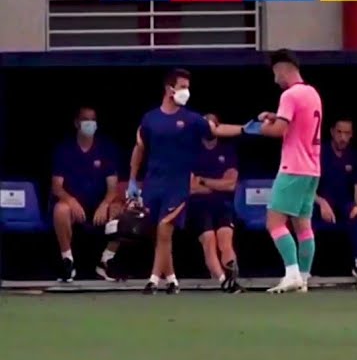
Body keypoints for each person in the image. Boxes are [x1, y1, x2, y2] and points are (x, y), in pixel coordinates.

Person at [212, 49, 324, 294]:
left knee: (274, 221)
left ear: (284, 69)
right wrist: (275, 117)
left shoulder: (290, 95)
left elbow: (278, 131)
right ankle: (303, 278)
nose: (275, 80)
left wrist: (259, 126)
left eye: (276, 73)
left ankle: (292, 273)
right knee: (303, 225)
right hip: (312, 168)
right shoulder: (312, 93)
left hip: (293, 167)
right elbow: (295, 123)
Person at [128, 69, 244, 295]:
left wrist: (246, 128)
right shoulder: (150, 119)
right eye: (182, 86)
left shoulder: (191, 119)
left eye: (187, 87)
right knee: (160, 234)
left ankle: (153, 280)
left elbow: (216, 129)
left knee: (164, 229)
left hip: (178, 187)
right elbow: (139, 148)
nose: (185, 91)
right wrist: (133, 179)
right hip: (153, 184)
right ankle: (172, 280)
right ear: (169, 89)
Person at [50, 106, 123, 281]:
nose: (90, 123)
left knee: (122, 211)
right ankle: (68, 262)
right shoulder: (64, 150)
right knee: (60, 210)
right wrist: (72, 201)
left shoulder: (106, 149)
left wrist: (105, 204)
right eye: (85, 119)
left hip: (99, 205)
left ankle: (106, 263)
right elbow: (57, 187)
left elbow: (113, 187)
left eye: (93, 120)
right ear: (77, 123)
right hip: (75, 208)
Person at [188, 113, 242, 293]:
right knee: (209, 241)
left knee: (225, 241)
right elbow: (191, 188)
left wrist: (203, 180)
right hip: (198, 206)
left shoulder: (227, 151)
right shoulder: (191, 151)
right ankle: (222, 281)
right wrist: (217, 184)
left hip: (223, 205)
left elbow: (231, 184)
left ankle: (232, 279)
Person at [317, 118, 357, 290]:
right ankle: (302, 272)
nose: (342, 137)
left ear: (352, 135)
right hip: (317, 203)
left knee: (354, 211)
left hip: (342, 205)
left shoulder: (353, 157)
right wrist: (321, 202)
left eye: (347, 133)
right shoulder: (319, 153)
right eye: (339, 132)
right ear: (332, 132)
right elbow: (305, 187)